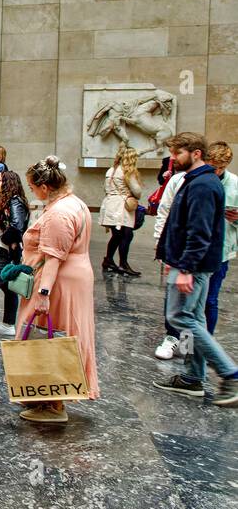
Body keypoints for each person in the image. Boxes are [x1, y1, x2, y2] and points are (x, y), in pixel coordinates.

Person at [153, 133, 238, 406]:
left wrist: (186, 268)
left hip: (191, 265)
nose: (173, 159)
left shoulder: (202, 185)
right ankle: (192, 377)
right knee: (193, 320)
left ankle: (230, 374)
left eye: (177, 153)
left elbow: (199, 232)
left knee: (182, 319)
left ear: (196, 153)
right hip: (188, 263)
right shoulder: (197, 181)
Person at [15, 156, 98, 424]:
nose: (32, 191)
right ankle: (48, 397)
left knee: (51, 339)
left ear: (45, 187)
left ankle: (53, 404)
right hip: (72, 278)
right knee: (60, 336)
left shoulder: (60, 213)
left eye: (32, 186)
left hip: (59, 282)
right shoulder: (73, 204)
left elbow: (53, 258)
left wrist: (43, 294)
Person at [0, 169, 27, 341]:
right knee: (8, 289)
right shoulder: (4, 201)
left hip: (3, 253)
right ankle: (8, 325)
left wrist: (3, 238)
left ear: (8, 184)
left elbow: (16, 227)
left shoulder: (14, 202)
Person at [152, 160, 188, 359]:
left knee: (200, 309)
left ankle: (193, 352)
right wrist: (161, 244)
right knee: (175, 302)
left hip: (202, 258)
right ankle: (175, 338)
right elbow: (164, 211)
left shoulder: (209, 184)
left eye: (179, 153)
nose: (173, 159)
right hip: (181, 254)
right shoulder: (178, 180)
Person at [206, 141, 238, 334]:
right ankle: (185, 346)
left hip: (221, 251)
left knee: (211, 299)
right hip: (196, 249)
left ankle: (205, 344)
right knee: (188, 304)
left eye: (221, 168)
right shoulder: (197, 179)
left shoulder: (234, 183)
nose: (217, 172)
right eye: (213, 167)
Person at [99, 143, 143, 277]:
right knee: (127, 235)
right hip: (122, 207)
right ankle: (123, 264)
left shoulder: (111, 170)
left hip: (109, 204)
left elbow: (105, 188)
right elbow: (137, 192)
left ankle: (108, 260)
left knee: (117, 235)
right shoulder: (127, 172)